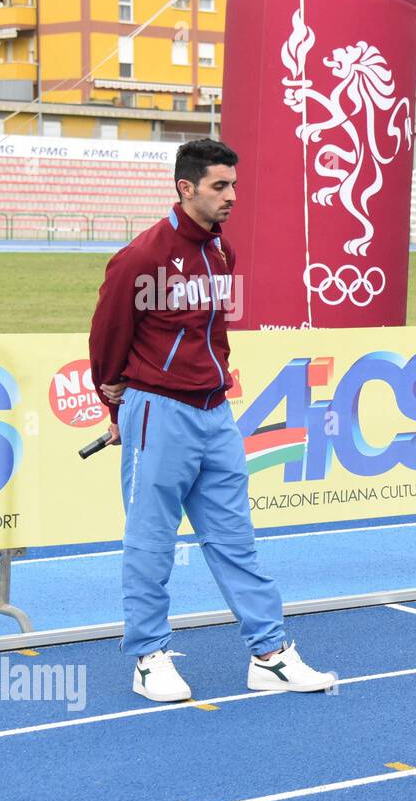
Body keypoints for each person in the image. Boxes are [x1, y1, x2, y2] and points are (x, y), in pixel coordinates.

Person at [90, 139, 334, 702]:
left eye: (234, 186)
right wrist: (117, 407)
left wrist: (218, 374)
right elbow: (107, 341)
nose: (231, 197)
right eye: (220, 186)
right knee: (150, 541)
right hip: (158, 411)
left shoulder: (222, 251)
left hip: (214, 413)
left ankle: (269, 654)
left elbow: (215, 330)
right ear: (186, 187)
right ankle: (148, 656)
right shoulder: (141, 256)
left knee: (235, 539)